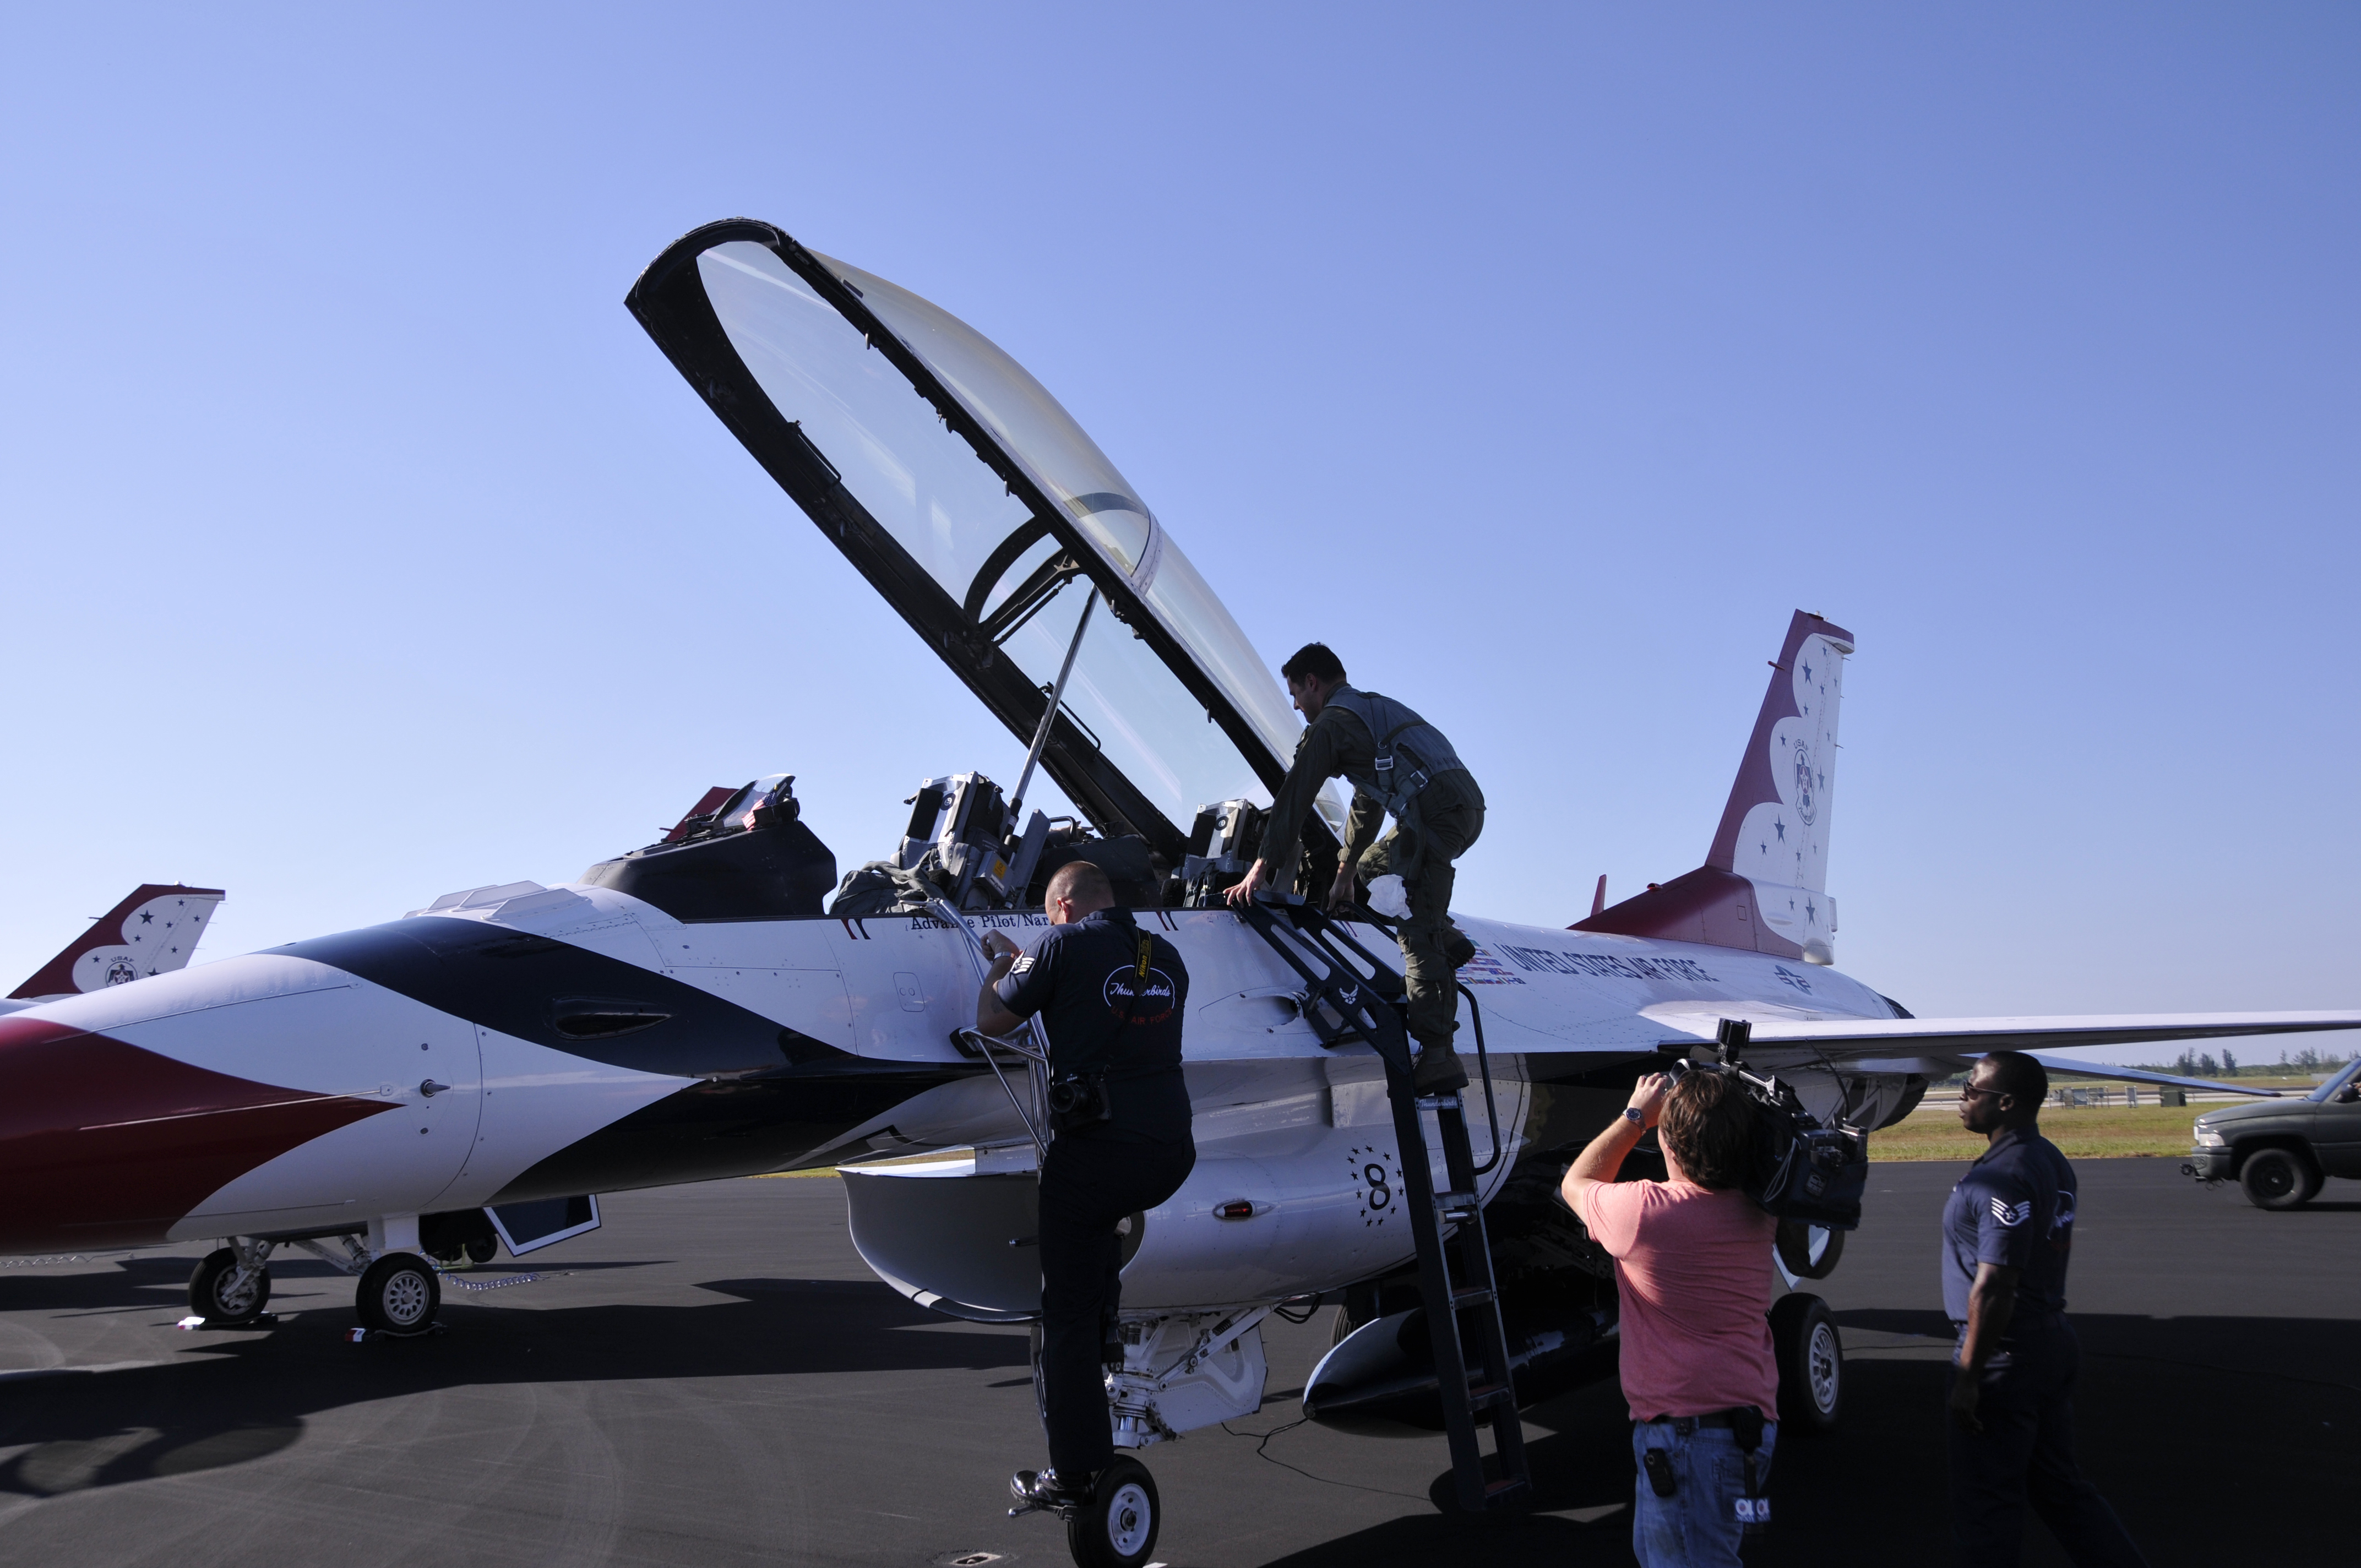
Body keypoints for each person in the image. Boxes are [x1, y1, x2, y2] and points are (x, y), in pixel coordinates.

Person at [976, 859, 1196, 1513]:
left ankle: (1073, 1473)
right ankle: (1108, 1333)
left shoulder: (1062, 943)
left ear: (1064, 906)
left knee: (1062, 1313)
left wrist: (1002, 961)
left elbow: (993, 1020)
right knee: (1098, 1230)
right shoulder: (1169, 957)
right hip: (1168, 1153)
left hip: (1097, 1152)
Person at [1223, 642, 1484, 1093]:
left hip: (1432, 816)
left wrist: (1260, 867)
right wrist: (1345, 873)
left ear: (1312, 683)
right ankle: (1447, 932)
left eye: (1295, 693)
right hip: (1461, 807)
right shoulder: (1370, 711)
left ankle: (1439, 1054)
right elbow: (1369, 799)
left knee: (1415, 932)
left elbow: (1295, 795)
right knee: (1372, 866)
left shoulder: (1332, 724)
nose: (1295, 705)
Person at [1560, 1071, 1778, 1568]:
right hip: (1748, 1434)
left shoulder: (1644, 1214)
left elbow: (1576, 1183)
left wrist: (1636, 1114)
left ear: (1669, 1141)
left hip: (1690, 1442)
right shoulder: (1761, 1210)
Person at [1945, 1052, 2148, 1567]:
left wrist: (1970, 1374)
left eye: (1972, 1090)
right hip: (2049, 1342)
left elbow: (1995, 1284)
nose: (1962, 1098)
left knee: (1988, 1503)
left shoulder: (2001, 1178)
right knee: (2062, 1490)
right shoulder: (2048, 1159)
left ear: (2006, 1103)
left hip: (2006, 1355)